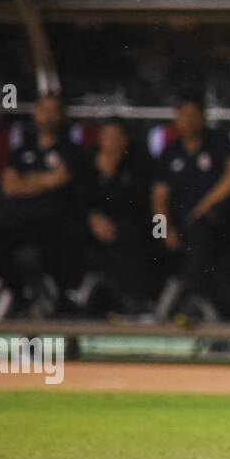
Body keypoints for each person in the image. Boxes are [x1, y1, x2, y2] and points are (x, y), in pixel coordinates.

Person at [0, 96, 83, 313]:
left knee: (43, 248)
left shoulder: (70, 150)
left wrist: (26, 181)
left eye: (53, 111)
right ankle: (23, 294)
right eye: (43, 110)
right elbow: (8, 187)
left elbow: (59, 179)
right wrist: (43, 180)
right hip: (18, 219)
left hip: (50, 221)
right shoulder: (21, 150)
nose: (48, 116)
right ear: (35, 113)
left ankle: (55, 299)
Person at [152, 95, 230, 320]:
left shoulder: (218, 143)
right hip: (177, 223)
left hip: (214, 220)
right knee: (154, 240)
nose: (188, 120)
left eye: (193, 115)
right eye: (183, 115)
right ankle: (151, 306)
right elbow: (159, 197)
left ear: (202, 117)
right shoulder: (170, 152)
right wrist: (164, 229)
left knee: (202, 231)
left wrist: (206, 204)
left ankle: (195, 302)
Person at [82, 118, 154, 314]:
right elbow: (79, 199)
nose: (112, 143)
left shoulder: (138, 160)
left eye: (117, 138)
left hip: (132, 221)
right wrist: (92, 218)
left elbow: (140, 200)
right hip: (93, 223)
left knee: (137, 234)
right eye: (108, 138)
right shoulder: (88, 161)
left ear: (125, 140)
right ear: (100, 140)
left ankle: (134, 300)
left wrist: (112, 175)